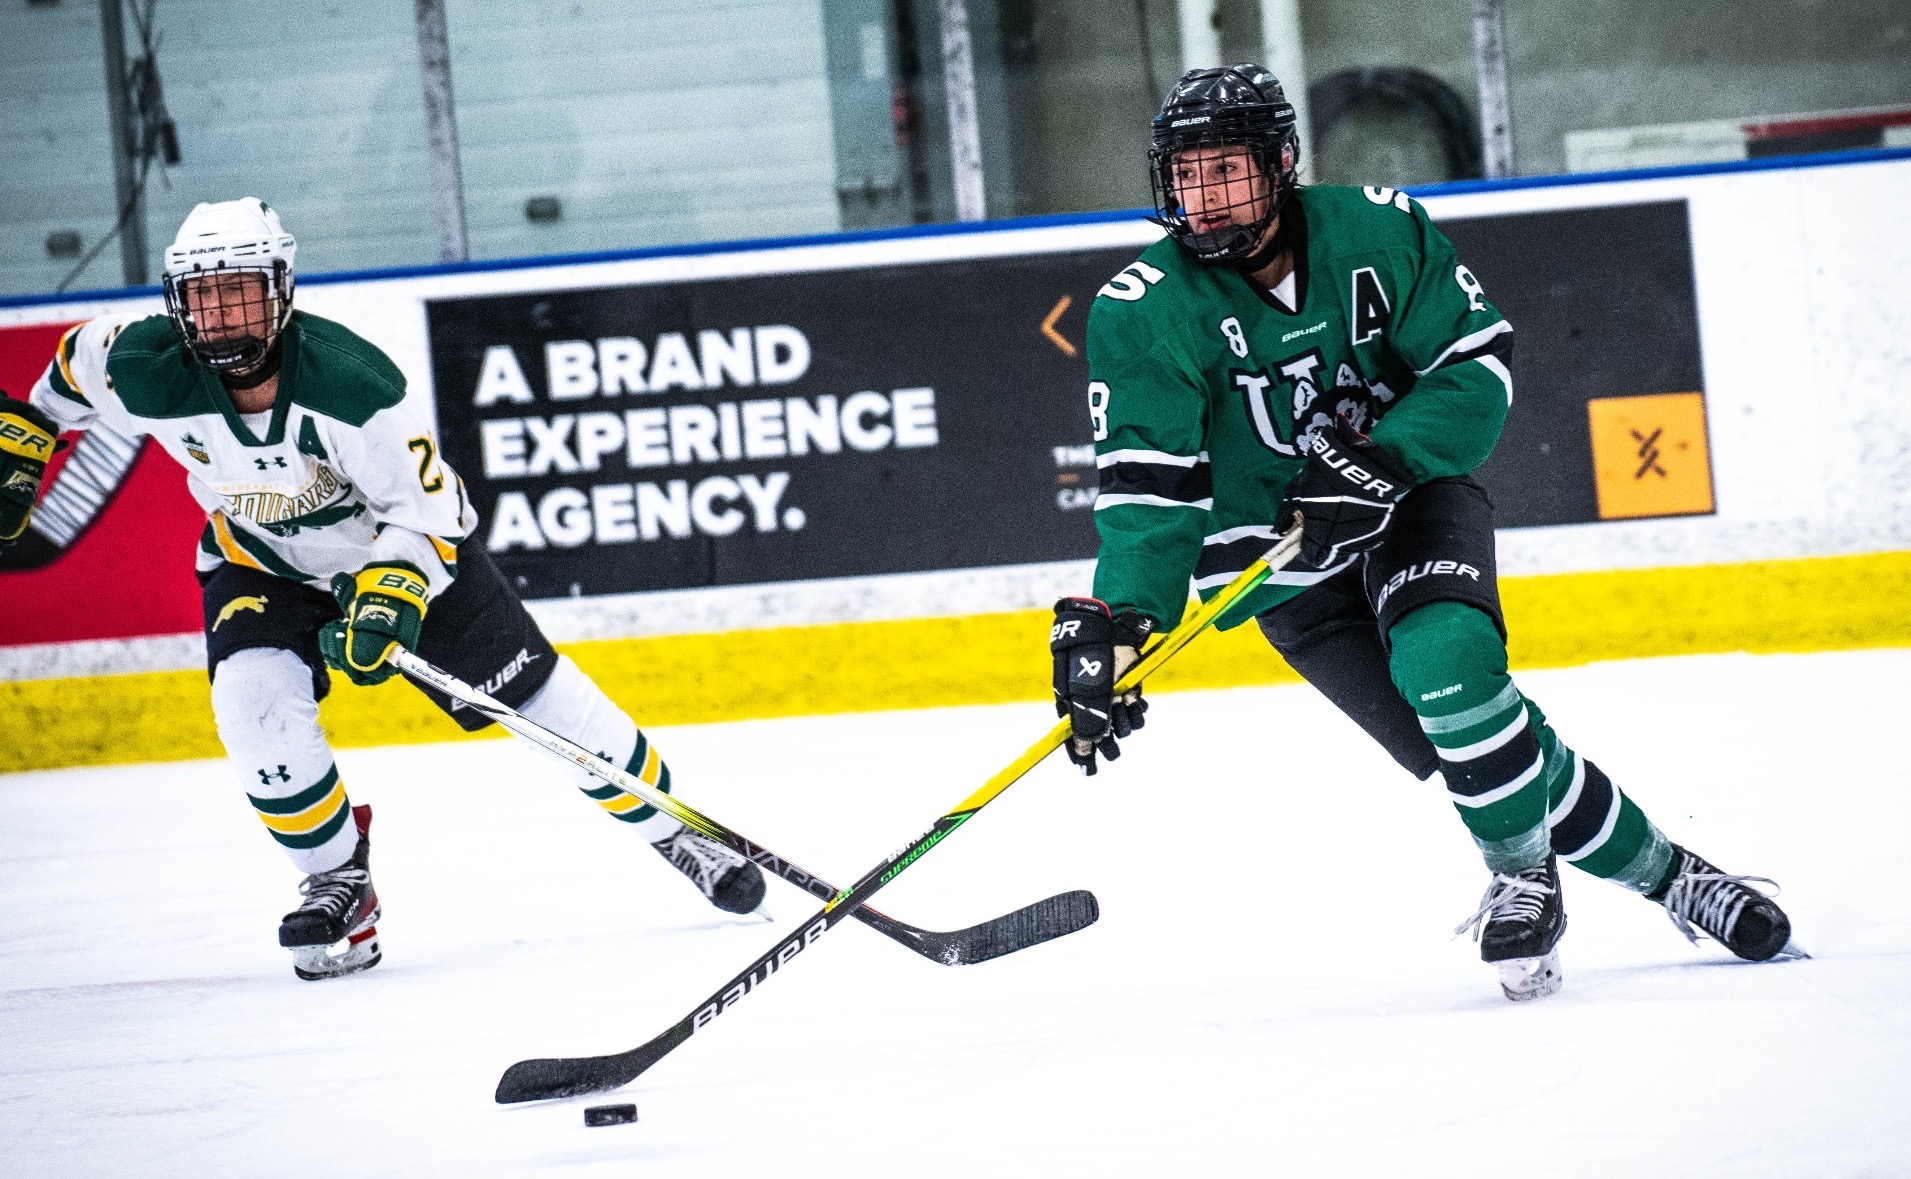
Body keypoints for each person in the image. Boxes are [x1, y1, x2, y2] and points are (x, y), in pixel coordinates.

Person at [1047, 65, 1798, 1000]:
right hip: (1281, 571)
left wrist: (1382, 460)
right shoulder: (1139, 309)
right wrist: (1121, 623)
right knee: (1480, 748)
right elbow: (1150, 493)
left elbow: (1474, 364)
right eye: (1185, 176)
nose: (1202, 198)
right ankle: (1677, 877)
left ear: (1280, 163)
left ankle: (1522, 882)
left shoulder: (1378, 228)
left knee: (1449, 671)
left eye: (1225, 170)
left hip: (1408, 502)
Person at [0, 198, 764, 981]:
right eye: (202, 293)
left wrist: (387, 598)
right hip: (258, 558)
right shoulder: (143, 361)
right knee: (250, 702)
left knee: (541, 702)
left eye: (238, 290)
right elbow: (71, 367)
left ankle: (678, 830)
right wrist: (28, 431)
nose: (220, 312)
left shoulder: (352, 386)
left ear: (279, 288)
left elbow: (431, 514)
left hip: (394, 554)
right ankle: (338, 881)